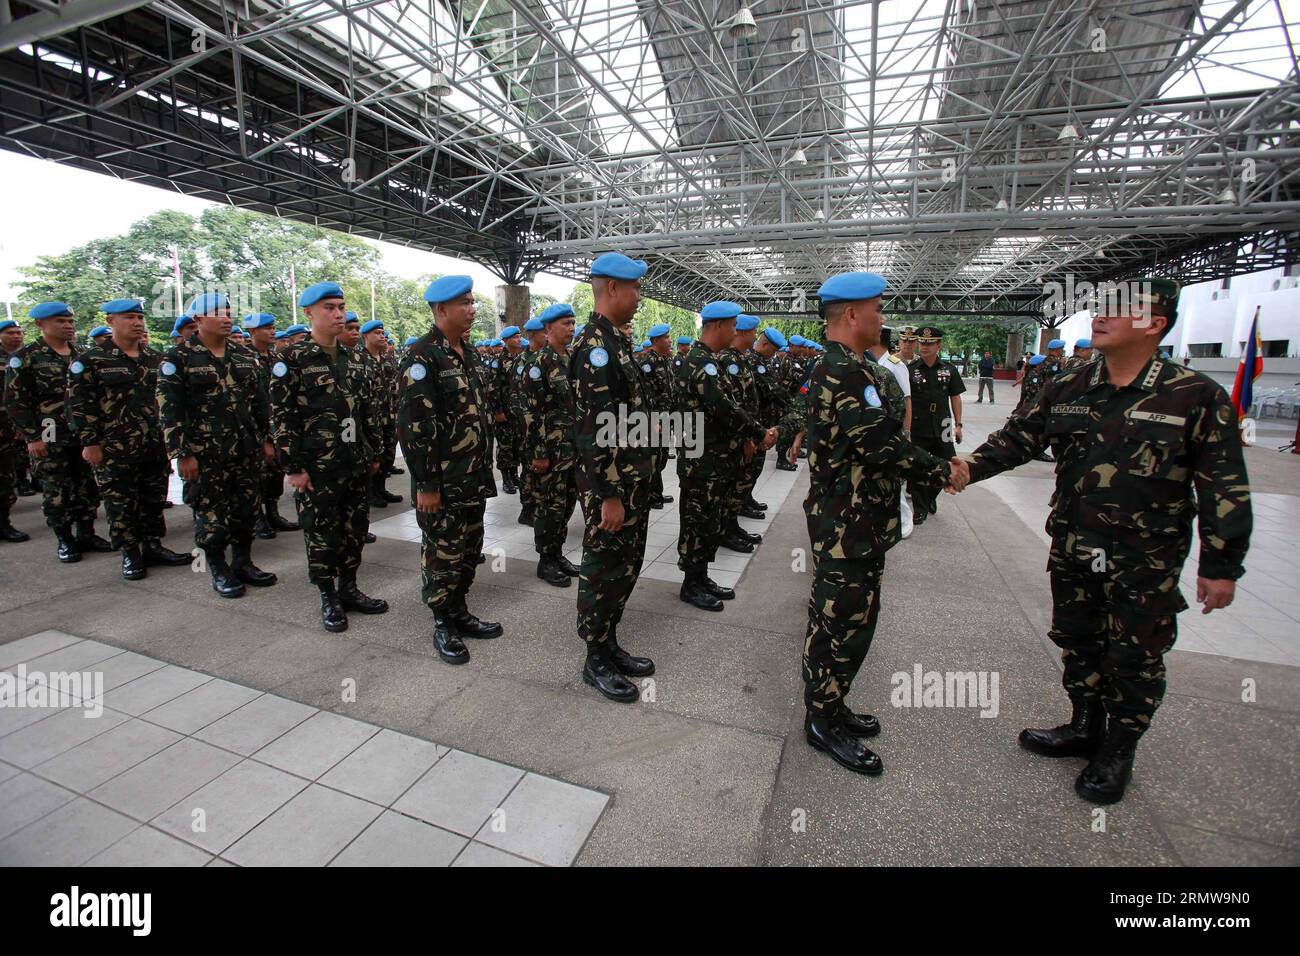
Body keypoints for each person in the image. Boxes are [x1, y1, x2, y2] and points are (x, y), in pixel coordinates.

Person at [960, 278, 1250, 804]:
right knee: (1078, 639)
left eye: (1120, 308)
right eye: (1100, 305)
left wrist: (1221, 564)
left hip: (1145, 561)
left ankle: (1118, 750)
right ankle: (1083, 725)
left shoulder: (1194, 395)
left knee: (1135, 657)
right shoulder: (1071, 383)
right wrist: (962, 469)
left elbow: (1224, 486)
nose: (1100, 314)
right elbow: (1019, 439)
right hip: (1074, 545)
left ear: (1156, 323)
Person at [802, 273, 957, 775]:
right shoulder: (843, 371)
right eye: (877, 310)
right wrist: (943, 470)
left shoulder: (851, 367)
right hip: (846, 525)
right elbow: (882, 443)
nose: (882, 319)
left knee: (851, 620)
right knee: (839, 621)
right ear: (851, 315)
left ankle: (833, 702)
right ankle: (821, 719)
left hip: (857, 522)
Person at [270, 282, 387, 632]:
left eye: (340, 307)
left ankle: (348, 587)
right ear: (309, 313)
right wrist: (293, 466)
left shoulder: (355, 359)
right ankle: (327, 595)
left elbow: (367, 411)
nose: (338, 314)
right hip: (317, 469)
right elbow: (282, 416)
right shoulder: (290, 360)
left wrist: (374, 452)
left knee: (354, 529)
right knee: (321, 534)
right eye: (329, 308)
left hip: (353, 462)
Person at [397, 275, 501, 665]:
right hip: (440, 481)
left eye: (473, 302)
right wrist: (425, 484)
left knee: (470, 546)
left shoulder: (468, 353)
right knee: (443, 551)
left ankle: (459, 609)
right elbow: (414, 427)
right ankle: (442, 621)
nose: (473, 309)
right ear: (441, 310)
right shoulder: (423, 358)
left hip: (471, 476)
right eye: (464, 303)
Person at [571, 253, 657, 701]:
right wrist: (608, 493)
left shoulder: (617, 343)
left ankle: (609, 642)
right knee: (603, 568)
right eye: (635, 288)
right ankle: (594, 657)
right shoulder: (594, 347)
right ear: (610, 289)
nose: (639, 297)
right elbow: (593, 429)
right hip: (612, 486)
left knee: (624, 567)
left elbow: (622, 417)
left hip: (631, 479)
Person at [159, 293, 277, 598]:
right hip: (205, 453)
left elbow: (260, 402)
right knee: (212, 515)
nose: (226, 318)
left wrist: (266, 439)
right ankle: (218, 567)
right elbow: (170, 409)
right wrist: (181, 453)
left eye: (228, 312)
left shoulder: (243, 355)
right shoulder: (178, 359)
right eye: (217, 313)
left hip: (245, 448)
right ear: (198, 320)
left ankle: (242, 562)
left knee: (246, 510)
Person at [67, 299, 188, 579]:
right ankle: (130, 552)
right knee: (120, 501)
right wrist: (90, 442)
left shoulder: (155, 358)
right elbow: (79, 405)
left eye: (139, 317)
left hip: (152, 443)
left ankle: (153, 545)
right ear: (110, 321)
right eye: (129, 317)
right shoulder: (90, 361)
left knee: (153, 498)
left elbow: (169, 402)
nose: (137, 322)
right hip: (113, 447)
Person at [675, 301, 774, 610]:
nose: (735, 332)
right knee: (697, 522)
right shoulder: (700, 363)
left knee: (709, 520)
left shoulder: (709, 360)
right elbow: (725, 408)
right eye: (732, 326)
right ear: (716, 326)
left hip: (713, 459)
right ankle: (691, 583)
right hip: (701, 461)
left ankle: (701, 576)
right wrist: (758, 433)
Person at [4, 302, 106, 561]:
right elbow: (16, 401)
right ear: (41, 324)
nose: (68, 325)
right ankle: (65, 539)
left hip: (82, 433)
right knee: (56, 489)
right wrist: (32, 437)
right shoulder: (26, 357)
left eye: (70, 321)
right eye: (60, 321)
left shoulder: (80, 354)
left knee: (86, 486)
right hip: (48, 434)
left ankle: (86, 533)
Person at [524, 303, 582, 587]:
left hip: (573, 449)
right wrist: (538, 453)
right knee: (549, 506)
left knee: (567, 503)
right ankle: (545, 560)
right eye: (565, 324)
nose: (571, 328)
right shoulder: (538, 364)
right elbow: (530, 413)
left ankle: (557, 554)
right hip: (550, 451)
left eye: (573, 323)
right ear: (548, 329)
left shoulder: (571, 359)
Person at [906, 326, 964, 525]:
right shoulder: (911, 369)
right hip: (918, 424)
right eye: (922, 342)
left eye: (930, 343)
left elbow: (955, 397)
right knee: (917, 466)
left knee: (948, 463)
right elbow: (907, 400)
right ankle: (920, 508)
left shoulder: (949, 370)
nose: (925, 346)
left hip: (944, 423)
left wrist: (959, 424)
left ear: (938, 345)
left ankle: (931, 497)